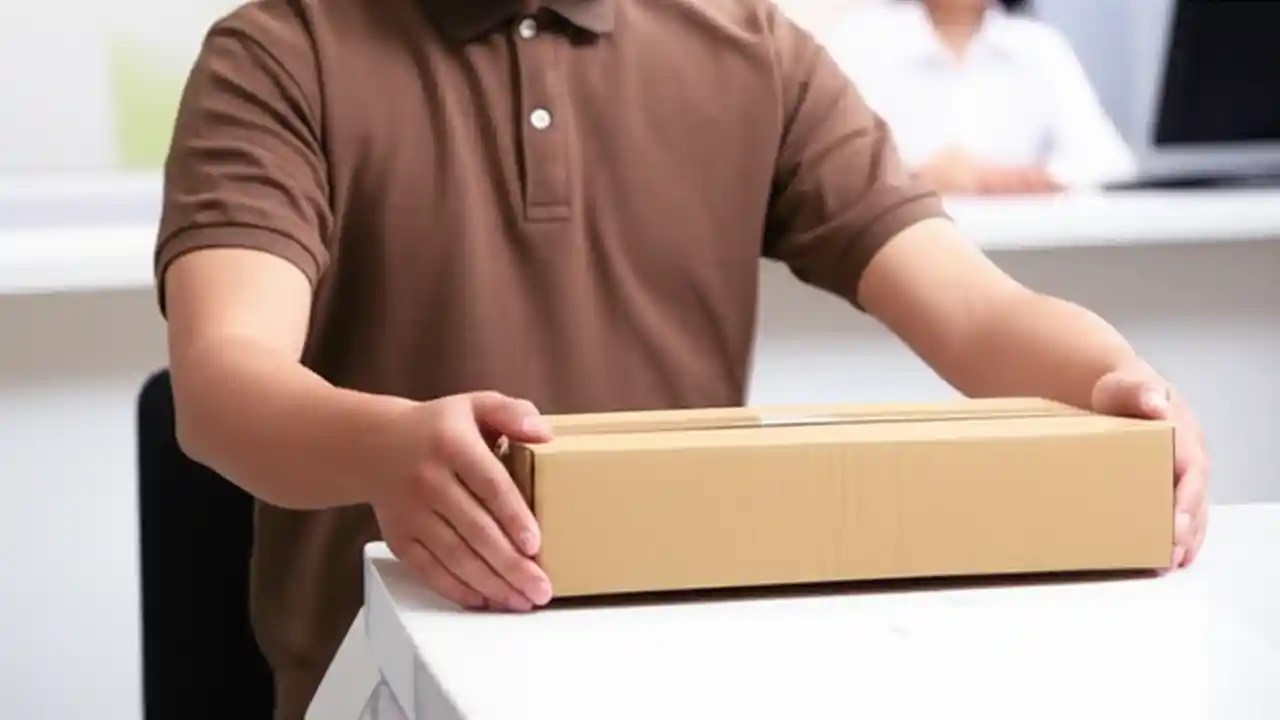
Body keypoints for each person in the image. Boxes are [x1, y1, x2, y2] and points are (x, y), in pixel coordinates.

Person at [157, 0, 1207, 717]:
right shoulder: (281, 51)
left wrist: (1117, 389)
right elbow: (223, 381)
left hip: (675, 683)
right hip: (392, 690)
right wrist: (383, 447)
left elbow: (974, 312)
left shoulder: (748, 44)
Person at [821, 0, 1137, 194]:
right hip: (899, 257)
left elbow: (1112, 163)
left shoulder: (1038, 45)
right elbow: (824, 168)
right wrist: (914, 177)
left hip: (1025, 257)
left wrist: (1011, 181)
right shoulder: (859, 38)